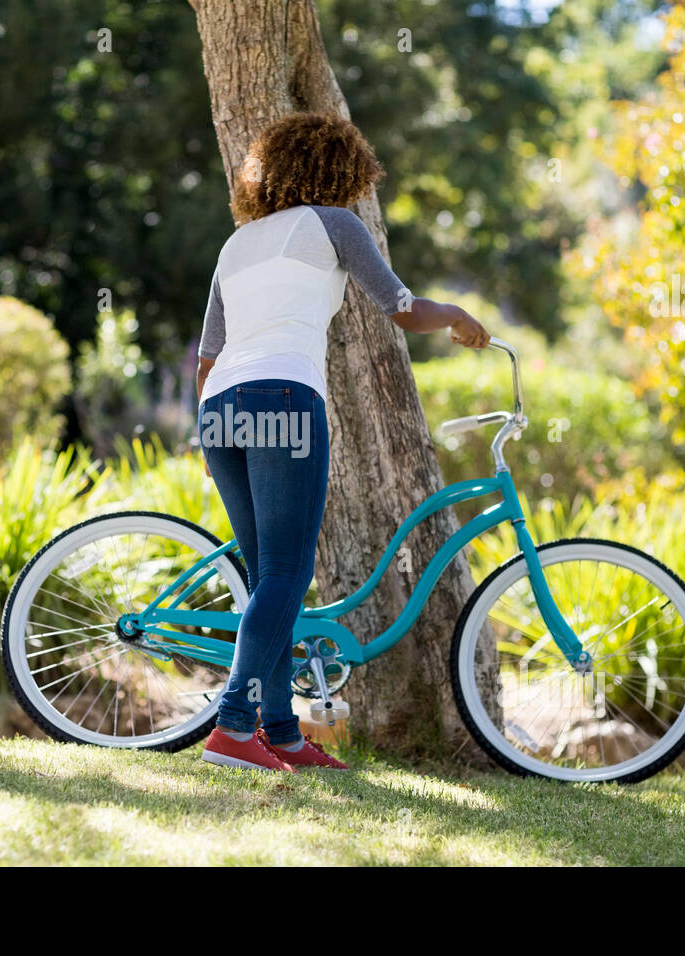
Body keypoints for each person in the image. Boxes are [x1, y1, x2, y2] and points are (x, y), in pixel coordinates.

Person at [195, 112, 490, 772]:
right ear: (338, 168)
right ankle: (233, 724)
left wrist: (215, 424)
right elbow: (403, 309)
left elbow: (206, 359)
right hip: (285, 399)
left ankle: (282, 734)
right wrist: (458, 317)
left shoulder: (235, 244)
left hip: (221, 412)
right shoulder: (334, 225)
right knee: (286, 576)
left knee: (271, 582)